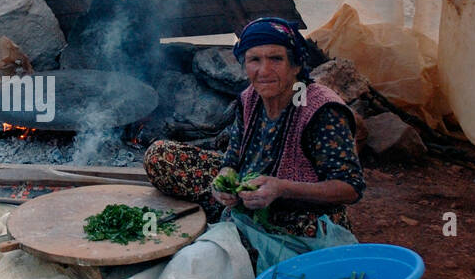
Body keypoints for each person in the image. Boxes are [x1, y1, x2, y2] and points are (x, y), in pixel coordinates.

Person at [144, 17, 364, 238]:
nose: (264, 70)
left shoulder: (321, 110)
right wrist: (224, 180)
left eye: (276, 59)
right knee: (160, 156)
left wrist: (281, 188)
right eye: (254, 60)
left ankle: (245, 230)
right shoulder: (250, 98)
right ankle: (230, 214)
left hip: (300, 212)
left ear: (296, 65)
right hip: (250, 190)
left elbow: (350, 188)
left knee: (241, 243)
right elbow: (232, 159)